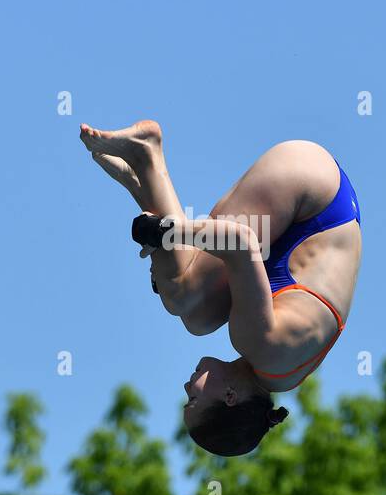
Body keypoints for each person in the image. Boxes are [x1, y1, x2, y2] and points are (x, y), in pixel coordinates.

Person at [79, 120, 361, 457]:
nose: (186, 385)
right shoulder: (259, 345)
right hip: (308, 184)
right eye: (193, 398)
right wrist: (165, 232)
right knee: (185, 295)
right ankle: (146, 157)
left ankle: (145, 172)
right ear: (230, 397)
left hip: (322, 197)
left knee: (197, 315)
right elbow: (239, 244)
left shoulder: (281, 377)